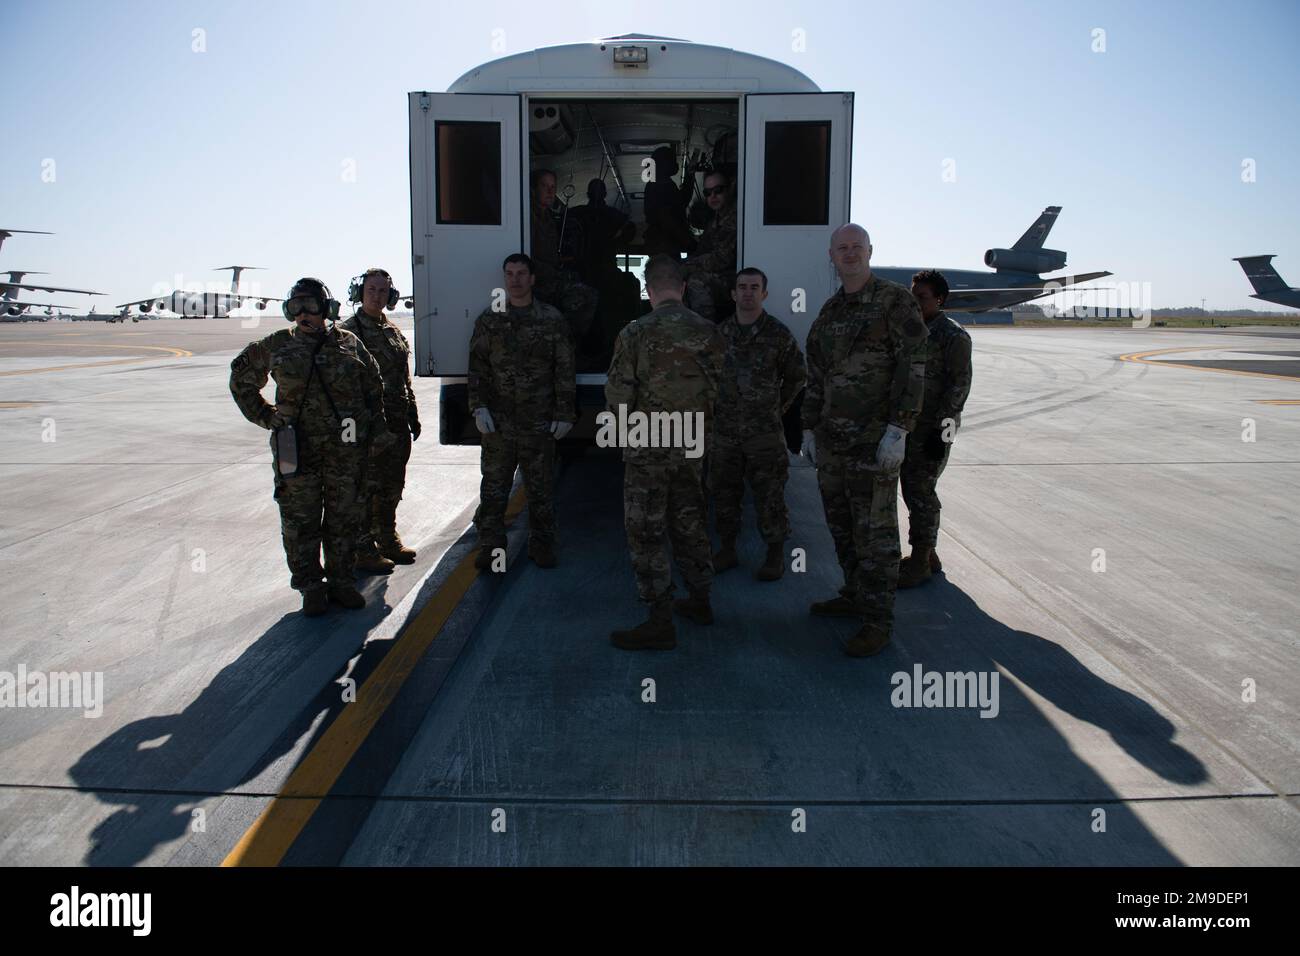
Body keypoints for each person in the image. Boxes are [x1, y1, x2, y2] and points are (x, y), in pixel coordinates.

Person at [800, 225, 928, 657]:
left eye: (857, 247)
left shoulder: (894, 300)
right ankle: (854, 594)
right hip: (833, 440)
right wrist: (808, 426)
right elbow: (815, 372)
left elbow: (915, 364)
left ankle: (878, 620)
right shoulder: (831, 311)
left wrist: (900, 428)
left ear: (870, 252)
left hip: (875, 440)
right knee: (840, 526)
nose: (850, 254)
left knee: (875, 534)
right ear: (832, 256)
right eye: (842, 248)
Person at [230, 278, 392, 616]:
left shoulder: (349, 344)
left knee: (343, 517)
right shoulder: (276, 345)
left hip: (345, 447)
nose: (303, 313)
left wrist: (374, 431)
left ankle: (341, 582)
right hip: (294, 447)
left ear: (327, 308)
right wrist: (265, 416)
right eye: (296, 306)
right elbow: (241, 380)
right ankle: (310, 587)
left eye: (311, 305)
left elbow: (373, 386)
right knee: (299, 520)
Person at [606, 254, 725, 650]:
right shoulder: (709, 332)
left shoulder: (635, 332)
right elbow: (725, 391)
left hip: (648, 446)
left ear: (648, 289)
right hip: (693, 444)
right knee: (690, 521)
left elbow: (619, 394)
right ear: (683, 287)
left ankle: (659, 620)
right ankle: (701, 599)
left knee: (646, 530)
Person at [468, 253, 576, 570]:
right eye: (509, 274)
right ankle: (491, 548)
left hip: (538, 422)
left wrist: (565, 413)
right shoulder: (490, 319)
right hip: (499, 424)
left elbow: (564, 369)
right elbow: (477, 368)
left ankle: (542, 545)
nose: (514, 280)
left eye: (521, 274)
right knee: (494, 490)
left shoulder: (551, 319)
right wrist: (478, 406)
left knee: (541, 491)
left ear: (532, 279)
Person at [710, 267, 806, 580]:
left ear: (764, 294)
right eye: (742, 287)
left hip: (764, 433)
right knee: (724, 495)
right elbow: (705, 376)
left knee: (770, 498)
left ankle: (775, 555)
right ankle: (726, 550)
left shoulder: (778, 335)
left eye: (754, 287)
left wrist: (777, 408)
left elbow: (797, 376)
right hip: (724, 433)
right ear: (733, 294)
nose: (748, 292)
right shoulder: (719, 335)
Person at [340, 267, 420, 574]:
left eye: (383, 291)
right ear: (360, 293)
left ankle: (388, 539)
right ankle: (364, 549)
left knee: (392, 485)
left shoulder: (393, 330)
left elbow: (402, 377)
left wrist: (412, 412)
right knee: (366, 488)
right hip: (369, 426)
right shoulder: (349, 332)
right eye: (372, 290)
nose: (378, 296)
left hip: (397, 421)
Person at [898, 269, 972, 588]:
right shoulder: (910, 331)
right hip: (909, 425)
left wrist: (940, 434)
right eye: (912, 295)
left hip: (934, 428)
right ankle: (927, 554)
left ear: (939, 299)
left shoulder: (953, 336)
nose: (915, 301)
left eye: (922, 297)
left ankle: (919, 561)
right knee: (911, 489)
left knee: (921, 492)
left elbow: (959, 386)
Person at [530, 169, 598, 350]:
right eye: (544, 186)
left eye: (553, 187)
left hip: (551, 275)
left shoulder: (549, 218)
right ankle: (564, 344)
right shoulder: (528, 217)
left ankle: (565, 343)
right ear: (534, 189)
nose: (550, 192)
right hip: (537, 280)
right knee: (585, 296)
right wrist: (553, 272)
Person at [683, 168, 738, 322]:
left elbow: (721, 259)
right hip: (720, 275)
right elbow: (701, 251)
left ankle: (706, 333)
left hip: (737, 276)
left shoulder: (735, 219)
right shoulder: (715, 221)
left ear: (730, 188)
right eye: (708, 193)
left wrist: (688, 266)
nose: (713, 196)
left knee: (696, 282)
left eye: (718, 190)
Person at [641, 146, 695, 257]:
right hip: (664, 245)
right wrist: (689, 243)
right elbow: (666, 218)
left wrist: (690, 176)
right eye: (672, 160)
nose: (675, 164)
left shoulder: (661, 184)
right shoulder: (659, 185)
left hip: (664, 244)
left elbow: (681, 201)